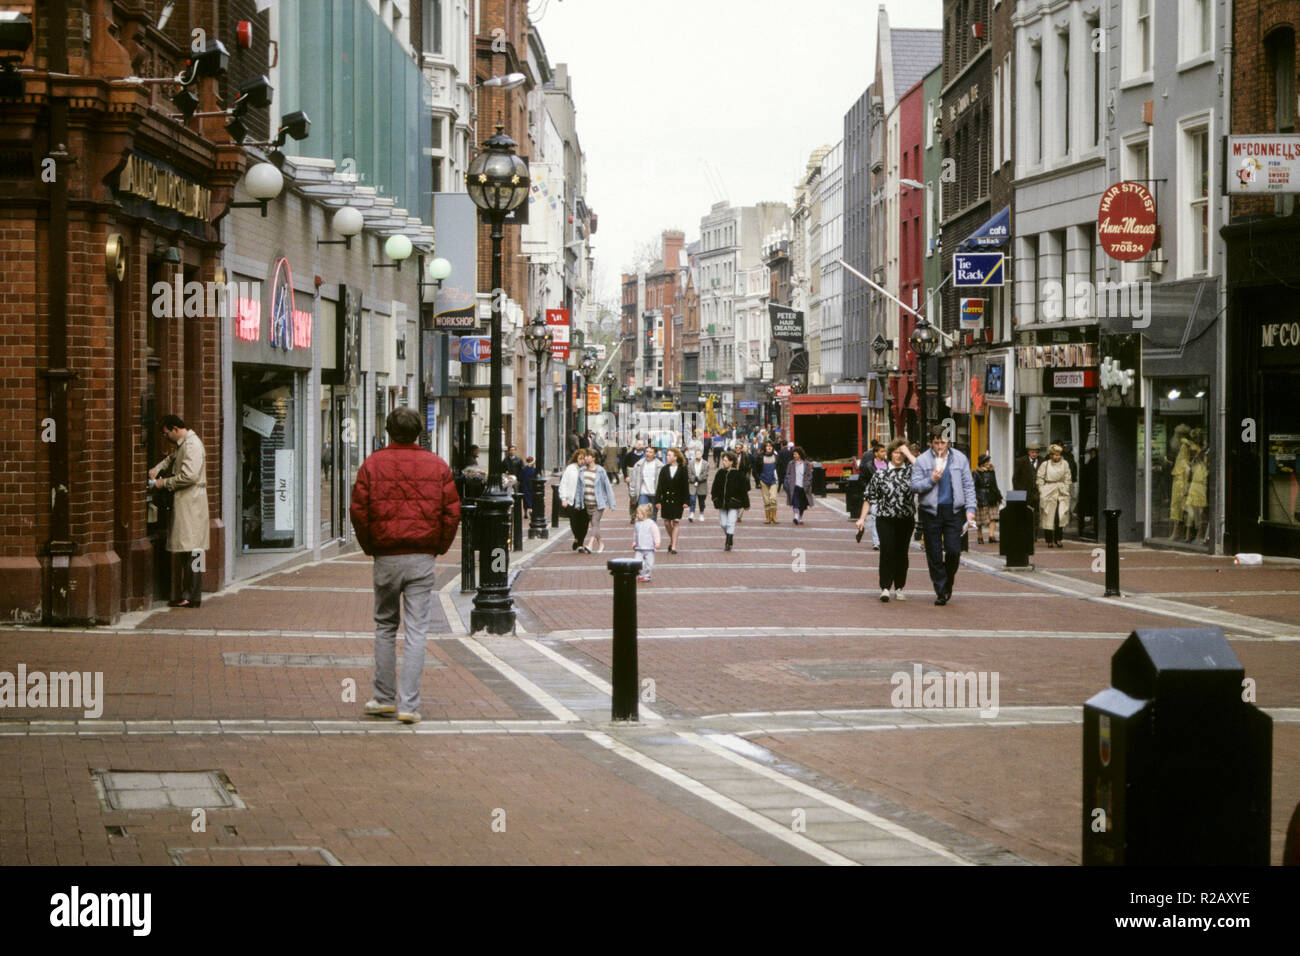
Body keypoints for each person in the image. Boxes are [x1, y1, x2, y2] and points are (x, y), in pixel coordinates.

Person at [349, 406, 460, 724]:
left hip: (386, 555)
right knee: (416, 629)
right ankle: (409, 705)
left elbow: (358, 510)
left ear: (388, 431)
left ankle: (383, 699)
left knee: (385, 625)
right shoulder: (437, 466)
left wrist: (372, 546)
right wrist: (437, 546)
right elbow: (451, 512)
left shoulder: (372, 464)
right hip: (421, 557)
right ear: (419, 433)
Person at [911, 425, 978, 606]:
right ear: (930, 443)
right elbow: (915, 486)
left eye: (943, 442)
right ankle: (941, 590)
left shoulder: (960, 459)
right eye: (936, 443)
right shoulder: (922, 460)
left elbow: (968, 485)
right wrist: (931, 479)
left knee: (954, 550)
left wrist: (970, 509)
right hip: (931, 510)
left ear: (948, 442)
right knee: (934, 552)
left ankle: (948, 581)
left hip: (953, 510)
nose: (940, 446)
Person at [148, 414, 210, 608]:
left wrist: (162, 482)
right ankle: (191, 594)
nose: (165, 437)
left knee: (192, 550)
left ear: (175, 429)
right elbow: (172, 458)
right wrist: (158, 467)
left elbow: (188, 476)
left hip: (190, 503)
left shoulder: (191, 445)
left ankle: (191, 595)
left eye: (166, 433)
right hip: (190, 503)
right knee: (192, 549)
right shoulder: (185, 443)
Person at [856, 438, 917, 601]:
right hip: (885, 519)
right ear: (890, 454)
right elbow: (869, 496)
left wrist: (908, 452)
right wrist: (862, 518)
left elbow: (924, 469)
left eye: (901, 453)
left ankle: (899, 587)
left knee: (902, 554)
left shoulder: (911, 471)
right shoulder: (881, 474)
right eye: (895, 452)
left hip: (906, 519)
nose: (898, 455)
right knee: (887, 551)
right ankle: (885, 586)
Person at [710, 450, 750, 551]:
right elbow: (714, 488)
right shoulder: (720, 473)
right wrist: (715, 499)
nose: (723, 462)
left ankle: (728, 542)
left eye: (726, 460)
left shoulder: (738, 474)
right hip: (722, 503)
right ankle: (729, 536)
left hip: (734, 502)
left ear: (731, 462)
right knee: (723, 523)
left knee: (730, 522)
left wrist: (746, 503)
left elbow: (743, 490)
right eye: (723, 460)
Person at [578, 448, 615, 553]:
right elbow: (579, 488)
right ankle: (601, 544)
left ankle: (590, 544)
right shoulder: (582, 470)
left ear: (593, 458)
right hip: (587, 502)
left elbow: (607, 486)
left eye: (588, 456)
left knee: (594, 522)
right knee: (595, 525)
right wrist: (578, 502)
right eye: (585, 456)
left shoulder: (600, 470)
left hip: (599, 503)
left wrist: (611, 503)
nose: (586, 458)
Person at [1036, 443, 1073, 549]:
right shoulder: (1045, 464)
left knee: (1060, 516)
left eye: (1059, 455)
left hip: (1061, 491)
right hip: (1048, 490)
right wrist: (1042, 490)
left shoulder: (1065, 464)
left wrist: (1066, 487)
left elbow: (1068, 477)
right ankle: (1049, 540)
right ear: (1051, 455)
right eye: (1055, 455)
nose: (1057, 457)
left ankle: (1059, 539)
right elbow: (1040, 478)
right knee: (1048, 515)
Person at [656, 447, 690, 553]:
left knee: (675, 522)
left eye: (670, 455)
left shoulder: (683, 469)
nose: (667, 457)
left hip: (677, 499)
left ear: (675, 457)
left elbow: (685, 486)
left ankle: (674, 546)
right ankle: (672, 539)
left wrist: (686, 501)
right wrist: (658, 500)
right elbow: (660, 485)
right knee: (666, 522)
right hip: (666, 499)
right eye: (667, 455)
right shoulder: (664, 469)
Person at [558, 447, 590, 550]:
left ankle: (580, 543)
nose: (581, 461)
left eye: (583, 459)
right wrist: (563, 498)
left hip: (585, 499)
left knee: (584, 521)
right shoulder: (570, 468)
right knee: (574, 521)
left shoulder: (590, 468)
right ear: (576, 459)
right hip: (573, 498)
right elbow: (564, 484)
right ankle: (577, 537)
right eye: (580, 459)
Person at [859, 441, 888, 549]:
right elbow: (862, 478)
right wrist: (868, 488)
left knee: (884, 518)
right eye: (882, 451)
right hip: (874, 494)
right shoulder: (869, 465)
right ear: (876, 453)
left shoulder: (888, 463)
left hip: (886, 495)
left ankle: (884, 539)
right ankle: (877, 542)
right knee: (875, 517)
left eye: (885, 451)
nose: (884, 453)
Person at [1012, 441, 1042, 533]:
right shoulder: (1021, 461)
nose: (1034, 454)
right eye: (1032, 452)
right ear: (1028, 452)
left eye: (1036, 452)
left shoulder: (1043, 461)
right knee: (1025, 513)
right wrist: (1020, 491)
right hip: (1025, 492)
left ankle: (1035, 533)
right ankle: (1025, 531)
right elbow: (1015, 479)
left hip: (1037, 492)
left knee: (1036, 514)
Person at [973, 453, 1003, 544]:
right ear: (982, 463)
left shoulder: (991, 471)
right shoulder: (976, 472)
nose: (988, 463)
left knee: (993, 517)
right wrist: (974, 497)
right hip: (980, 497)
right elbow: (973, 486)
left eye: (989, 461)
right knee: (980, 520)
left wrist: (999, 496)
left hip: (992, 497)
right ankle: (980, 536)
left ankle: (991, 536)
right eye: (986, 461)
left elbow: (995, 484)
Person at [630, 444, 663, 522]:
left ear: (655, 454)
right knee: (642, 515)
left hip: (655, 494)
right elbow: (633, 480)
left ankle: (651, 533)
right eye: (647, 451)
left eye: (650, 452)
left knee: (653, 517)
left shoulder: (660, 466)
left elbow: (663, 483)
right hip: (643, 493)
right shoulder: (639, 464)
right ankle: (642, 532)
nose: (648, 454)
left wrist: (661, 497)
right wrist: (633, 495)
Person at [785, 446, 815, 524]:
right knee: (795, 501)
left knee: (802, 504)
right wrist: (789, 481)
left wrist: (808, 483)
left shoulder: (807, 464)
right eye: (793, 454)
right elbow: (787, 474)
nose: (794, 456)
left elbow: (809, 475)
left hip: (804, 487)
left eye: (795, 454)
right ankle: (795, 516)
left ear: (800, 454)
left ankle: (800, 517)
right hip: (794, 486)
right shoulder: (791, 463)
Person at [632, 503, 661, 583]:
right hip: (639, 548)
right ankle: (641, 575)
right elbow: (635, 534)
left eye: (638, 513)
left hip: (649, 547)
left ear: (644, 514)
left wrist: (657, 542)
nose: (637, 515)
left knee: (649, 563)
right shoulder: (637, 524)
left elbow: (656, 533)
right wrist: (634, 542)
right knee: (638, 562)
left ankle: (647, 575)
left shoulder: (651, 523)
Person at [756, 440, 781, 524]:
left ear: (772, 447)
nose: (769, 447)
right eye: (767, 446)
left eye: (770, 446)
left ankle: (774, 516)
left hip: (774, 480)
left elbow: (779, 468)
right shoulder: (760, 457)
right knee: (766, 500)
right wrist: (759, 478)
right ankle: (768, 518)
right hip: (763, 480)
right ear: (765, 447)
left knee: (773, 499)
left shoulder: (776, 456)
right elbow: (756, 469)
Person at [687, 447, 710, 522]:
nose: (698, 455)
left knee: (701, 501)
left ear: (702, 454)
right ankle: (691, 513)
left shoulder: (706, 464)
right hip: (692, 484)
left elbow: (705, 474)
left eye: (699, 453)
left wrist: (698, 478)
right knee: (692, 499)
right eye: (697, 454)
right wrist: (694, 479)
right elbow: (689, 474)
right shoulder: (690, 464)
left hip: (702, 484)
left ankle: (701, 514)